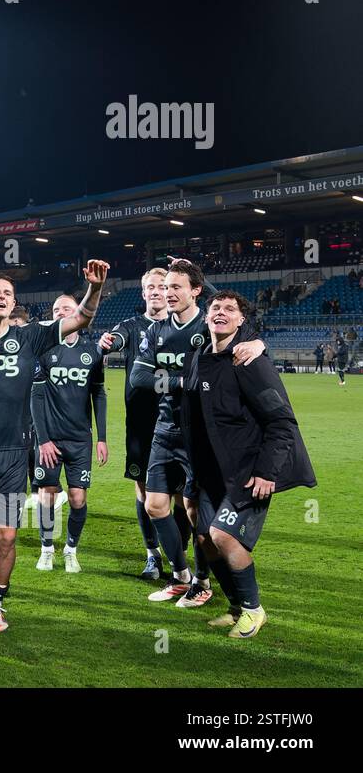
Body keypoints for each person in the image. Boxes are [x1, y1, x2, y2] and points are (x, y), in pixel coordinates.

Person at [0, 262, 109, 632]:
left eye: (7, 294)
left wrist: (93, 289)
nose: (1, 298)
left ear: (14, 304)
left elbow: (80, 320)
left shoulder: (30, 337)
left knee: (7, 536)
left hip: (13, 455)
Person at [180, 291, 317, 638]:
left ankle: (254, 612)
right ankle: (236, 605)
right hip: (211, 472)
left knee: (223, 535)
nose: (221, 312)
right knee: (204, 539)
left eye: (230, 309)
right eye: (215, 308)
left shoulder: (251, 360)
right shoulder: (198, 356)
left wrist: (266, 471)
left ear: (242, 320)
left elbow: (282, 422)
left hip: (249, 471)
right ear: (206, 317)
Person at [129, 260, 264, 608]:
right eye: (164, 287)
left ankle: (203, 583)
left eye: (176, 287)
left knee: (194, 514)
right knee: (156, 506)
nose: (167, 293)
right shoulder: (155, 331)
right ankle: (181, 576)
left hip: (199, 435)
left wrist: (260, 345)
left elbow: (249, 336)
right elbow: (139, 379)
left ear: (196, 291)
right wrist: (184, 382)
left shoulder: (208, 328)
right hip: (164, 429)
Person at [100, 268, 180, 579]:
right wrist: (108, 342)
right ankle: (152, 556)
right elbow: (116, 338)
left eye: (163, 286)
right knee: (144, 491)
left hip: (176, 419)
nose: (158, 291)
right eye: (151, 287)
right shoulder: (132, 327)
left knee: (180, 494)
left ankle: (180, 556)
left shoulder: (182, 326)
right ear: (144, 293)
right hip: (141, 422)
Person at [31, 294, 108, 573]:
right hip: (50, 439)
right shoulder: (45, 350)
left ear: (78, 312)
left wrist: (101, 438)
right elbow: (35, 397)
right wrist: (43, 440)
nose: (60, 312)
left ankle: (71, 549)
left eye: (66, 307)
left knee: (78, 498)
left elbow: (99, 394)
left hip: (80, 440)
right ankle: (46, 549)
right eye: (55, 309)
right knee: (47, 495)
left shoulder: (92, 352)